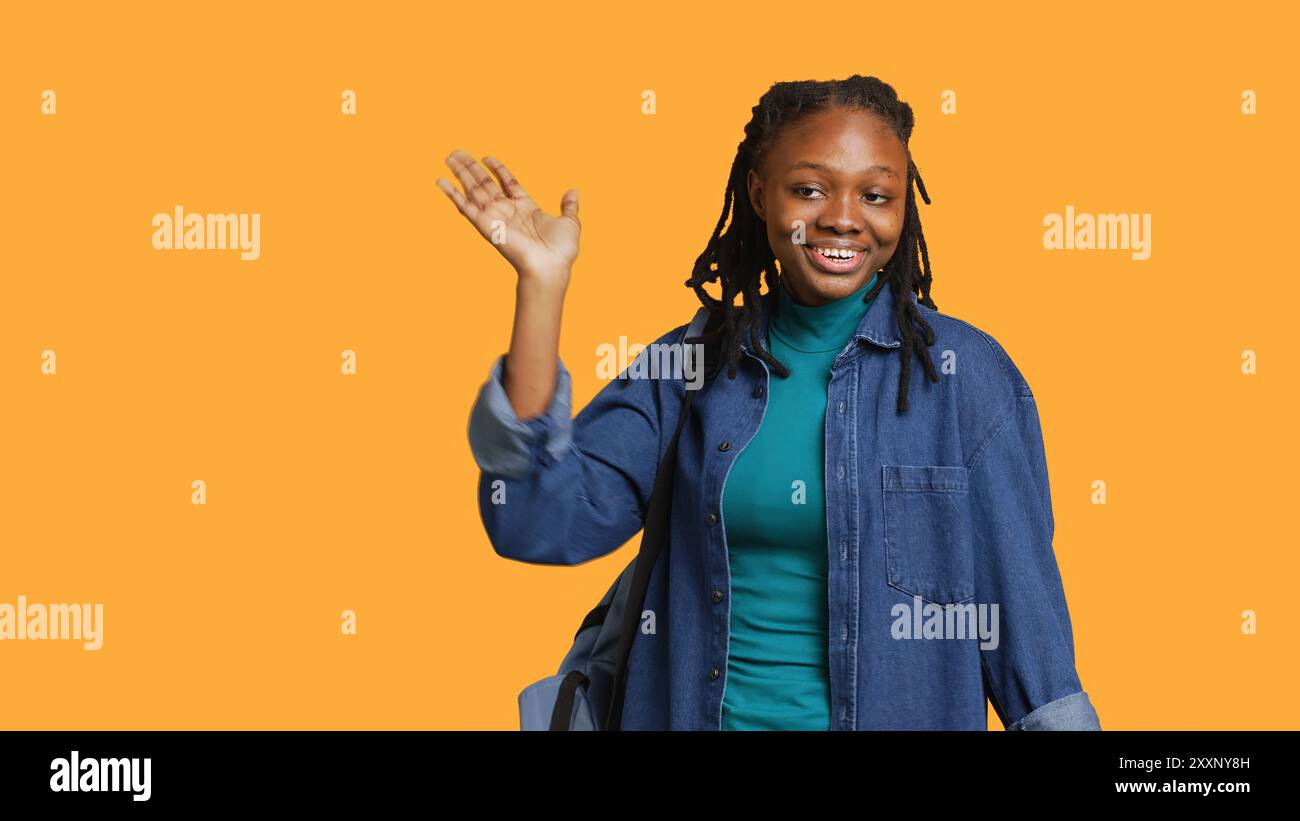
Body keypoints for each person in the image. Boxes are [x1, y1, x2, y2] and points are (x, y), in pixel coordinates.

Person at [441, 74, 1101, 731]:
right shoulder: (692, 366)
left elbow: (1028, 638)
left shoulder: (963, 377)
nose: (843, 217)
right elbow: (537, 519)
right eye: (809, 188)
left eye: (876, 195)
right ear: (759, 192)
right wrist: (541, 285)